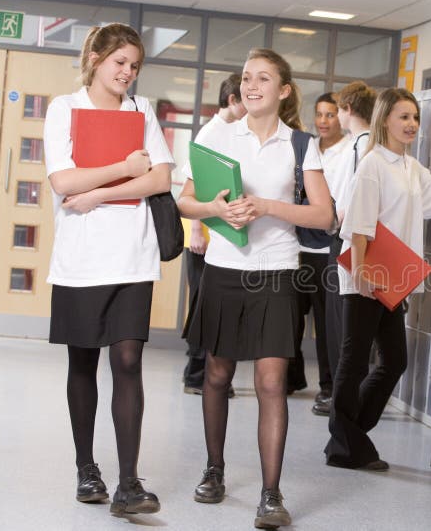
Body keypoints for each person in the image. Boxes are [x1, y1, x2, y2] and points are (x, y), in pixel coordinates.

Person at [177, 48, 332, 529]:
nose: (251, 85)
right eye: (246, 77)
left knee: (270, 384)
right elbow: (185, 201)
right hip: (224, 269)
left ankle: (270, 492)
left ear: (283, 91)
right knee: (217, 377)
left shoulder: (302, 145)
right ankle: (214, 470)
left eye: (263, 78)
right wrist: (217, 211)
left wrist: (267, 206)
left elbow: (324, 217)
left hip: (278, 271)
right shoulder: (217, 134)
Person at [43, 23, 173, 515]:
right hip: (80, 260)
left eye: (135, 65)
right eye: (120, 62)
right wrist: (126, 167)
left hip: (133, 257)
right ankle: (85, 468)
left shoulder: (142, 111)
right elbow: (62, 179)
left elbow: (160, 175)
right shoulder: (64, 108)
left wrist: (98, 192)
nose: (127, 72)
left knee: (128, 362)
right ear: (95, 58)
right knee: (83, 364)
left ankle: (129, 484)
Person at [324, 88, 431, 470]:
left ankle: (347, 435)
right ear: (385, 119)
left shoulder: (410, 167)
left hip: (393, 277)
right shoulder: (373, 165)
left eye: (415, 117)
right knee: (354, 363)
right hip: (365, 275)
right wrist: (364, 272)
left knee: (394, 360)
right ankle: (346, 443)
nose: (412, 124)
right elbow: (361, 223)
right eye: (403, 117)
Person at [182, 72, 246, 396]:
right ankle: (195, 376)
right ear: (233, 100)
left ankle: (200, 373)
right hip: (204, 236)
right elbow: (195, 187)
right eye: (245, 100)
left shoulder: (233, 130)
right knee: (201, 308)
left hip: (219, 234)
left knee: (206, 308)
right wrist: (197, 231)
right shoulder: (211, 133)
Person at [287, 92, 349, 417]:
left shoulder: (348, 151)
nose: (324, 121)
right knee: (292, 318)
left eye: (331, 114)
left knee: (327, 325)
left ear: (342, 118)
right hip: (299, 245)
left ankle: (328, 387)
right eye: (320, 114)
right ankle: (291, 377)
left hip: (328, 248)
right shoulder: (308, 146)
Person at [318, 81, 377, 417]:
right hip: (355, 239)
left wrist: (328, 219)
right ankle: (345, 396)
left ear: (348, 109)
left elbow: (344, 204)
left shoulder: (359, 146)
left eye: (337, 109)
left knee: (341, 326)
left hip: (346, 239)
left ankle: (343, 399)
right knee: (347, 325)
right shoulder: (367, 144)